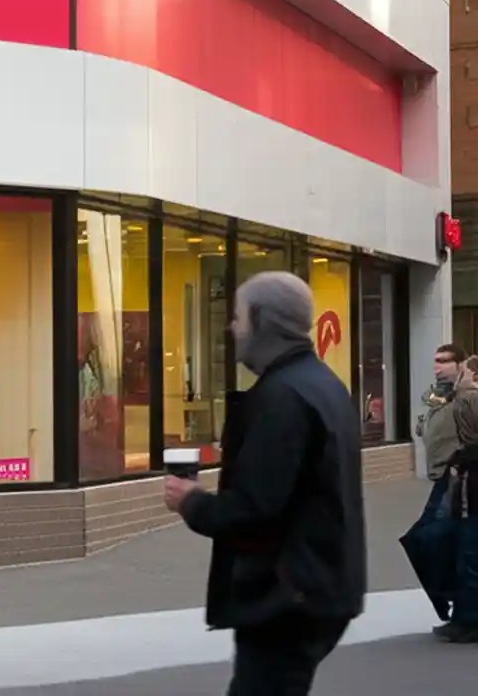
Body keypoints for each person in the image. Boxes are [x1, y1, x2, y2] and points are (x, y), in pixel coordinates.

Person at [163, 272, 366, 695]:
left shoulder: (283, 398)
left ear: (258, 319)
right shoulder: (323, 385)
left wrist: (192, 502)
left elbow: (255, 508)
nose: (232, 329)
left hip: (287, 596)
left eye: (237, 317)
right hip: (315, 587)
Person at [440, 355, 478, 642]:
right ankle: (463, 616)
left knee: (469, 553)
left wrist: (464, 389)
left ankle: (467, 620)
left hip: (472, 486)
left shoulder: (469, 400)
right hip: (467, 481)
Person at [417, 344, 466, 517]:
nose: (437, 367)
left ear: (460, 365)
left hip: (458, 473)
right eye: (436, 362)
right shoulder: (436, 396)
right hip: (441, 473)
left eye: (443, 361)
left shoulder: (467, 395)